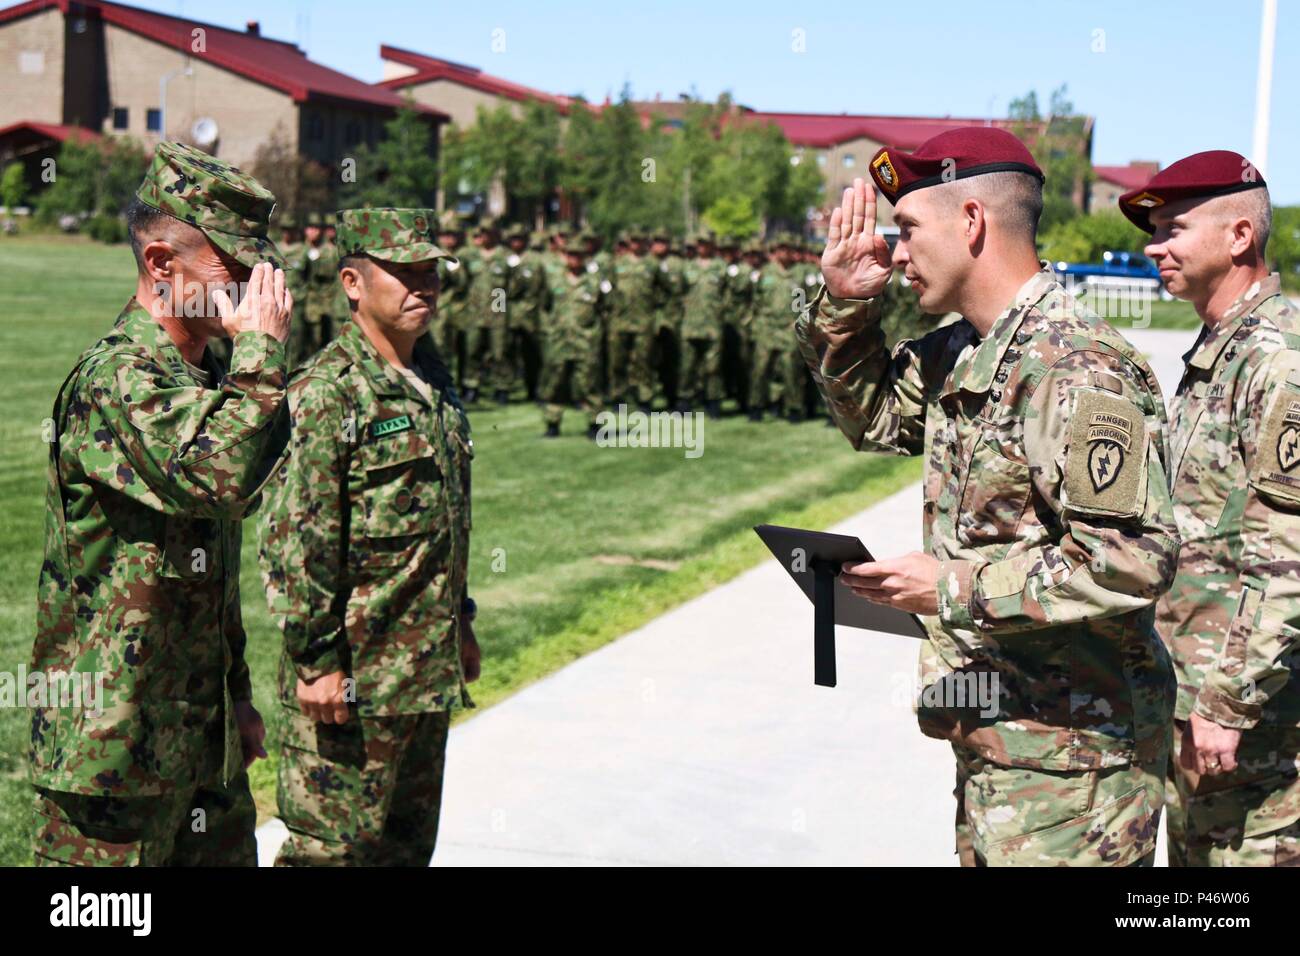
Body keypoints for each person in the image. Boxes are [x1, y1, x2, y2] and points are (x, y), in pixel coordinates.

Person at [796, 127, 1181, 865]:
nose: (895, 253)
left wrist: (951, 586)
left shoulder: (1078, 368)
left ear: (972, 222)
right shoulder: (966, 348)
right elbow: (874, 417)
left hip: (1076, 766)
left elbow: (1133, 560)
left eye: (908, 230)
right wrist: (844, 308)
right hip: (1002, 735)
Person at [29, 141, 292, 866]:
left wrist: (235, 694)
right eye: (234, 272)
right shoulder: (118, 379)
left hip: (200, 743)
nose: (254, 292)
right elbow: (222, 476)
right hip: (115, 758)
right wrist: (261, 358)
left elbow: (210, 571)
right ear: (161, 267)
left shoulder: (208, 379)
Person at [259, 208, 480, 866]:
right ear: (353, 283)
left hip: (422, 673)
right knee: (331, 855)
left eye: (430, 272)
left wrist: (460, 623)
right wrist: (319, 661)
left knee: (405, 852)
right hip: (350, 683)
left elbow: (445, 524)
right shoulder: (330, 391)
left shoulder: (433, 382)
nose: (423, 286)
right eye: (404, 272)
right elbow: (297, 543)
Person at [1120, 152, 1300, 866]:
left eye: (1172, 227)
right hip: (1195, 700)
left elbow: (1288, 556)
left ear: (1238, 237)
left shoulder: (1278, 361)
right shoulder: (1221, 348)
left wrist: (1229, 703)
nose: (1152, 246)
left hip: (1255, 721)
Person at [538, 229, 608, 438]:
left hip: (586, 340)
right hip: (559, 339)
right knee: (555, 382)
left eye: (578, 255)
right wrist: (549, 329)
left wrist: (595, 334)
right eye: (570, 254)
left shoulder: (594, 282)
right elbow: (543, 307)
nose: (574, 259)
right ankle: (552, 423)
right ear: (565, 255)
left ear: (585, 257)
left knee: (589, 384)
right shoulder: (554, 280)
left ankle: (595, 424)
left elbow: (605, 309)